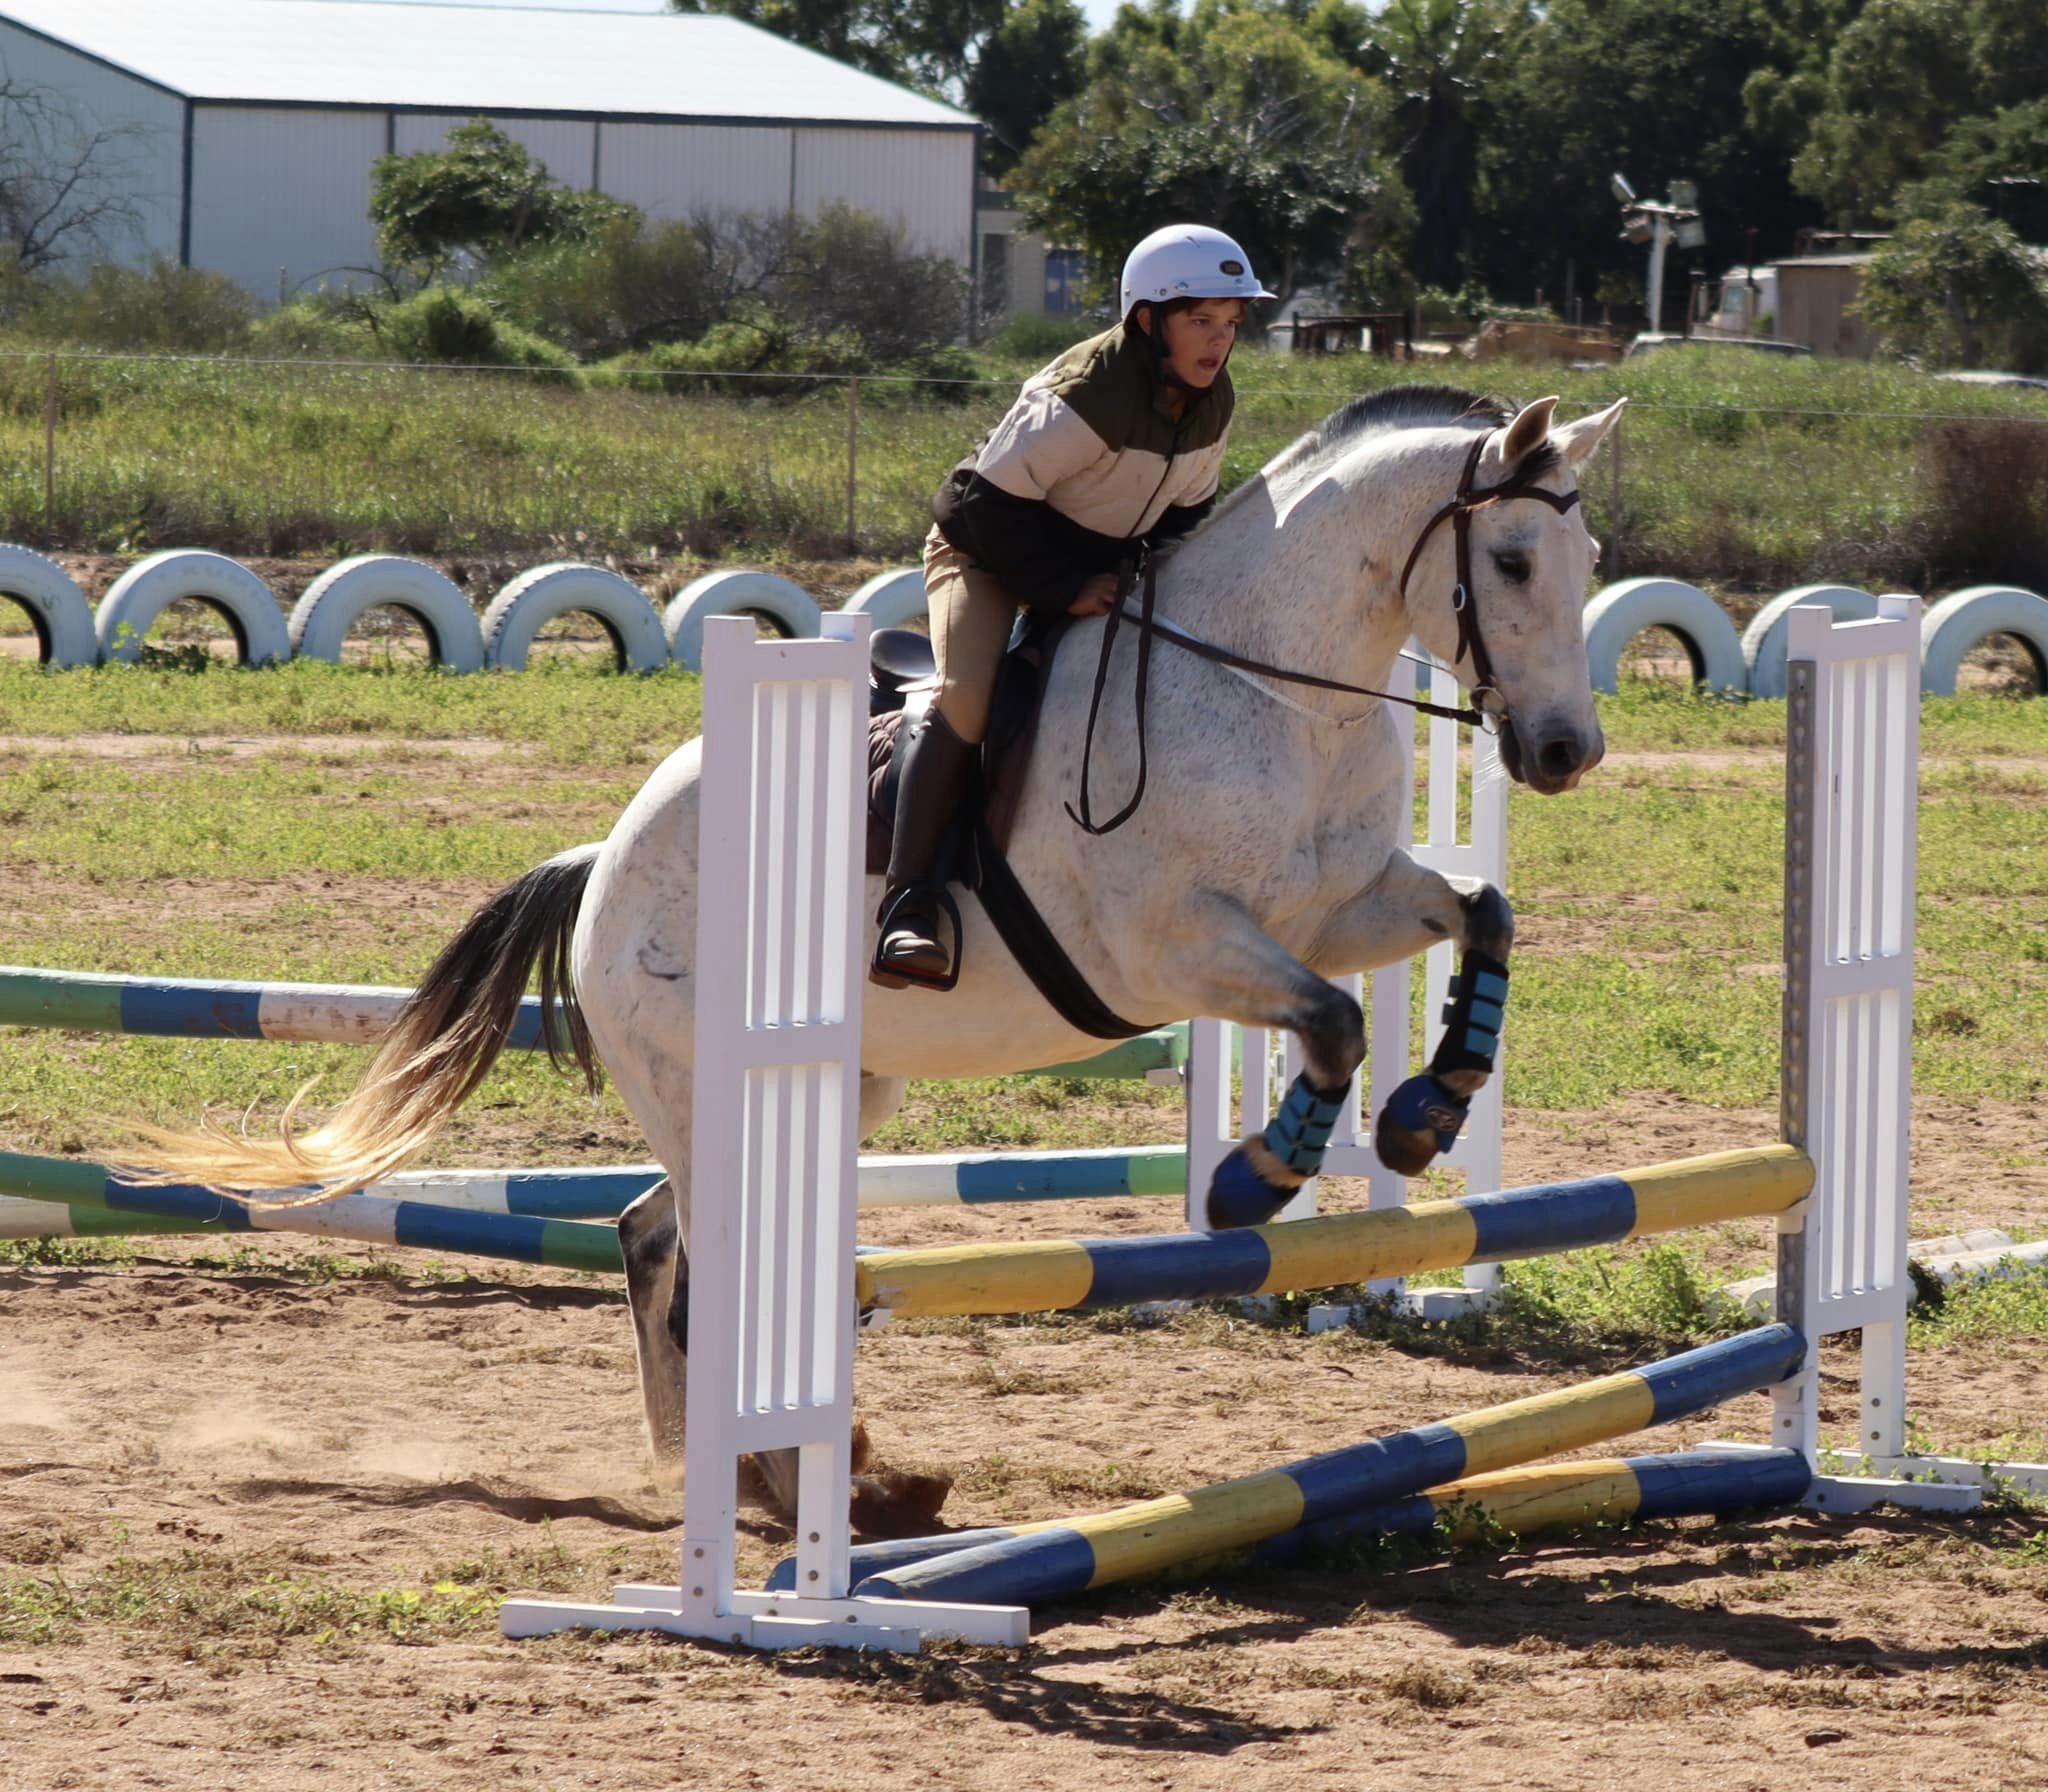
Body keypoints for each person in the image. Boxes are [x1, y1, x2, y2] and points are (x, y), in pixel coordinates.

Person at [872, 224, 1273, 989]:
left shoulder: (1213, 402)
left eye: (1229, 324)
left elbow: (1185, 520)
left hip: (1095, 564)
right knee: (967, 697)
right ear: (1149, 321)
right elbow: (985, 507)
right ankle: (910, 905)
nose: (1218, 342)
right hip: (984, 553)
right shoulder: (1085, 393)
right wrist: (1063, 590)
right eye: (1200, 321)